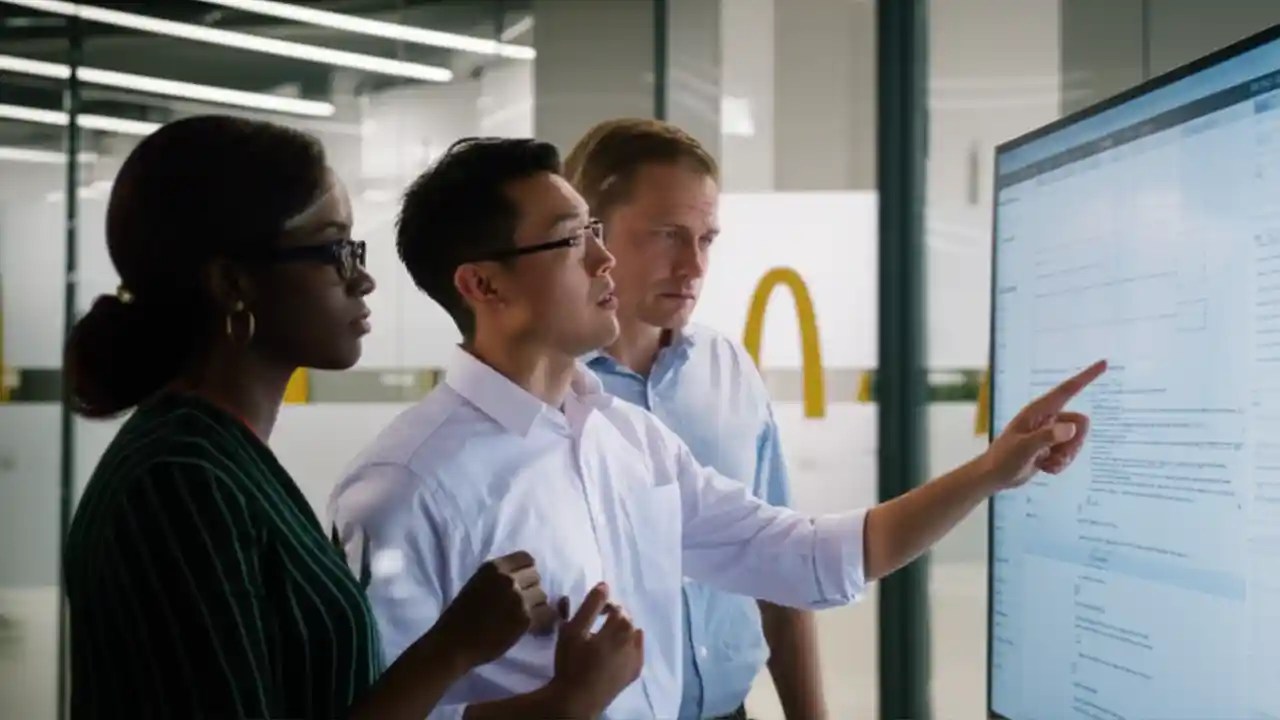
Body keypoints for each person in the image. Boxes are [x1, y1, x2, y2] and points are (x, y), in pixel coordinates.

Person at [329, 136, 1106, 720]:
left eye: (596, 230)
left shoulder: (625, 440)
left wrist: (992, 471)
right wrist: (561, 706)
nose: (603, 259)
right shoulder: (401, 490)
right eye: (572, 238)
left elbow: (803, 557)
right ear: (483, 284)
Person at [61, 116, 641, 720]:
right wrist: (452, 650)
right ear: (234, 282)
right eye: (334, 249)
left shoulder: (228, 460)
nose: (361, 279)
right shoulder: (180, 484)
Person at [563, 117, 822, 720]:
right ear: (589, 235)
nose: (694, 266)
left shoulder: (727, 368)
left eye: (706, 239)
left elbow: (779, 564)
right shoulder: (544, 387)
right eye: (667, 235)